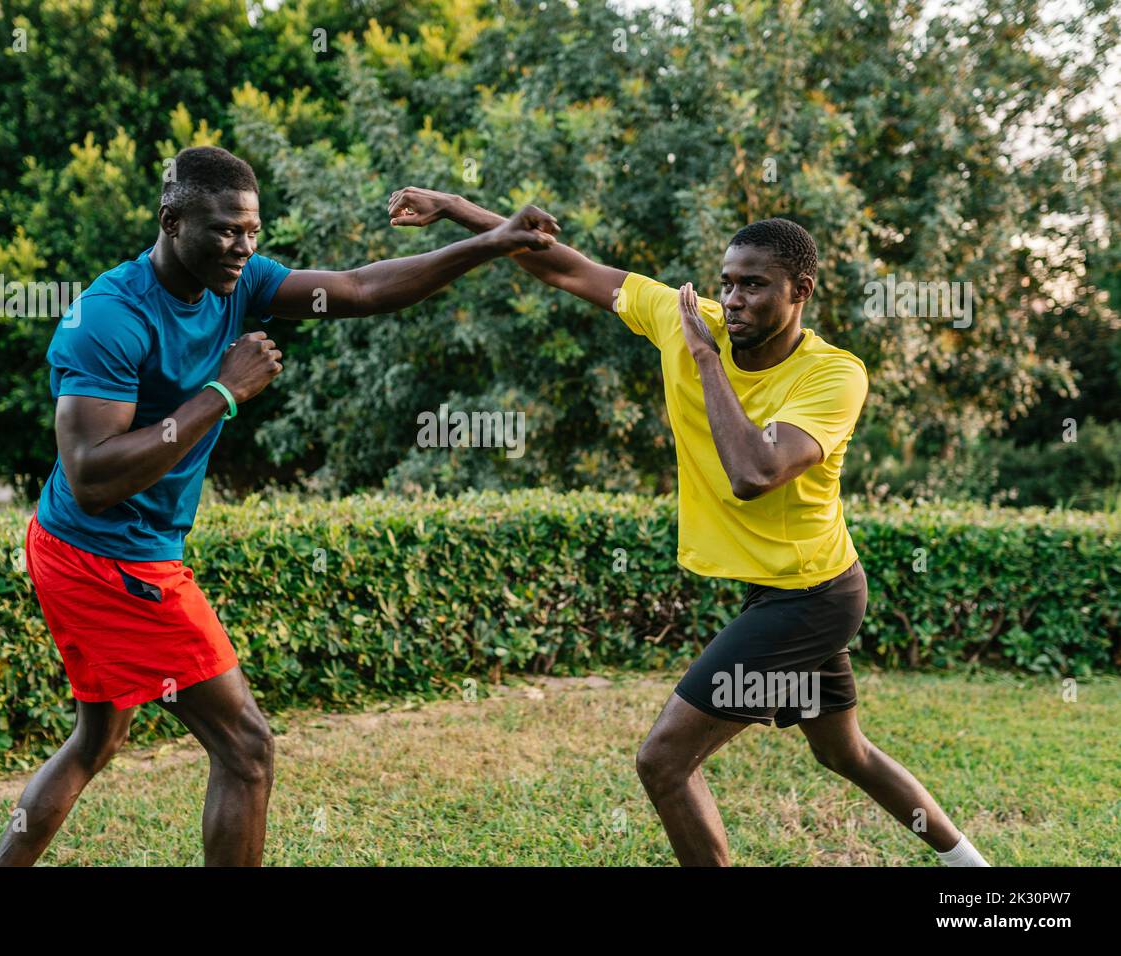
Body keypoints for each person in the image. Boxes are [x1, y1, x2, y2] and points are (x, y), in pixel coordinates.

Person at [387, 186, 989, 867]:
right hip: (783, 590)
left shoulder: (832, 375)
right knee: (844, 752)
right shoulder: (684, 317)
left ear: (801, 291)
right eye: (727, 283)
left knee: (664, 760)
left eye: (754, 286)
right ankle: (974, 869)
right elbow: (564, 266)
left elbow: (754, 472)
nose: (732, 300)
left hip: (813, 598)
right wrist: (457, 206)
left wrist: (706, 361)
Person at [0, 148, 559, 867]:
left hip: (87, 548)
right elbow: (91, 476)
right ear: (172, 222)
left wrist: (490, 241)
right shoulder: (110, 316)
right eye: (226, 231)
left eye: (252, 231)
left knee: (97, 738)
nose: (244, 247)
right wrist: (223, 392)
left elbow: (359, 288)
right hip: (108, 560)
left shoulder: (237, 281)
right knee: (247, 748)